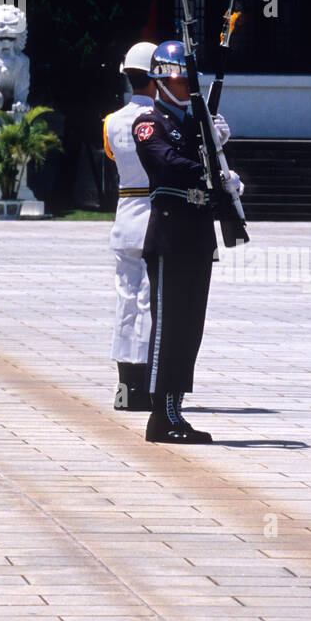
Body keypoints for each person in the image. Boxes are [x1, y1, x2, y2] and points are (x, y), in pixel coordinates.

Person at [131, 39, 239, 444]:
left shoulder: (198, 123)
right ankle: (159, 416)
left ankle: (175, 411)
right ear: (159, 81)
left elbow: (209, 163)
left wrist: (219, 150)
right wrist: (209, 171)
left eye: (186, 80)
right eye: (177, 80)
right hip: (169, 236)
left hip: (197, 236)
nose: (183, 87)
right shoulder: (149, 122)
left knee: (190, 328)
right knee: (168, 327)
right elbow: (166, 163)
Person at [103, 42, 157, 411]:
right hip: (156, 217)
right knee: (150, 304)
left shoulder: (112, 121)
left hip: (125, 216)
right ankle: (146, 387)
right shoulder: (164, 119)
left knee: (125, 302)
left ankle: (124, 388)